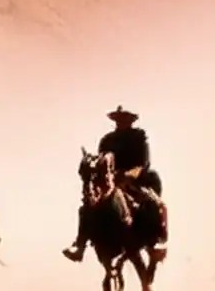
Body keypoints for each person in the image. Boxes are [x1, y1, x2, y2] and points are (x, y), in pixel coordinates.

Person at [63, 106, 167, 261]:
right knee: (87, 208)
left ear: (131, 121)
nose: (121, 122)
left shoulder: (139, 137)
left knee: (152, 203)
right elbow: (101, 160)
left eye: (124, 119)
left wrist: (127, 175)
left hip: (135, 178)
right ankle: (80, 245)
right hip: (109, 180)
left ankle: (154, 242)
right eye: (118, 119)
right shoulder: (107, 140)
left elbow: (143, 163)